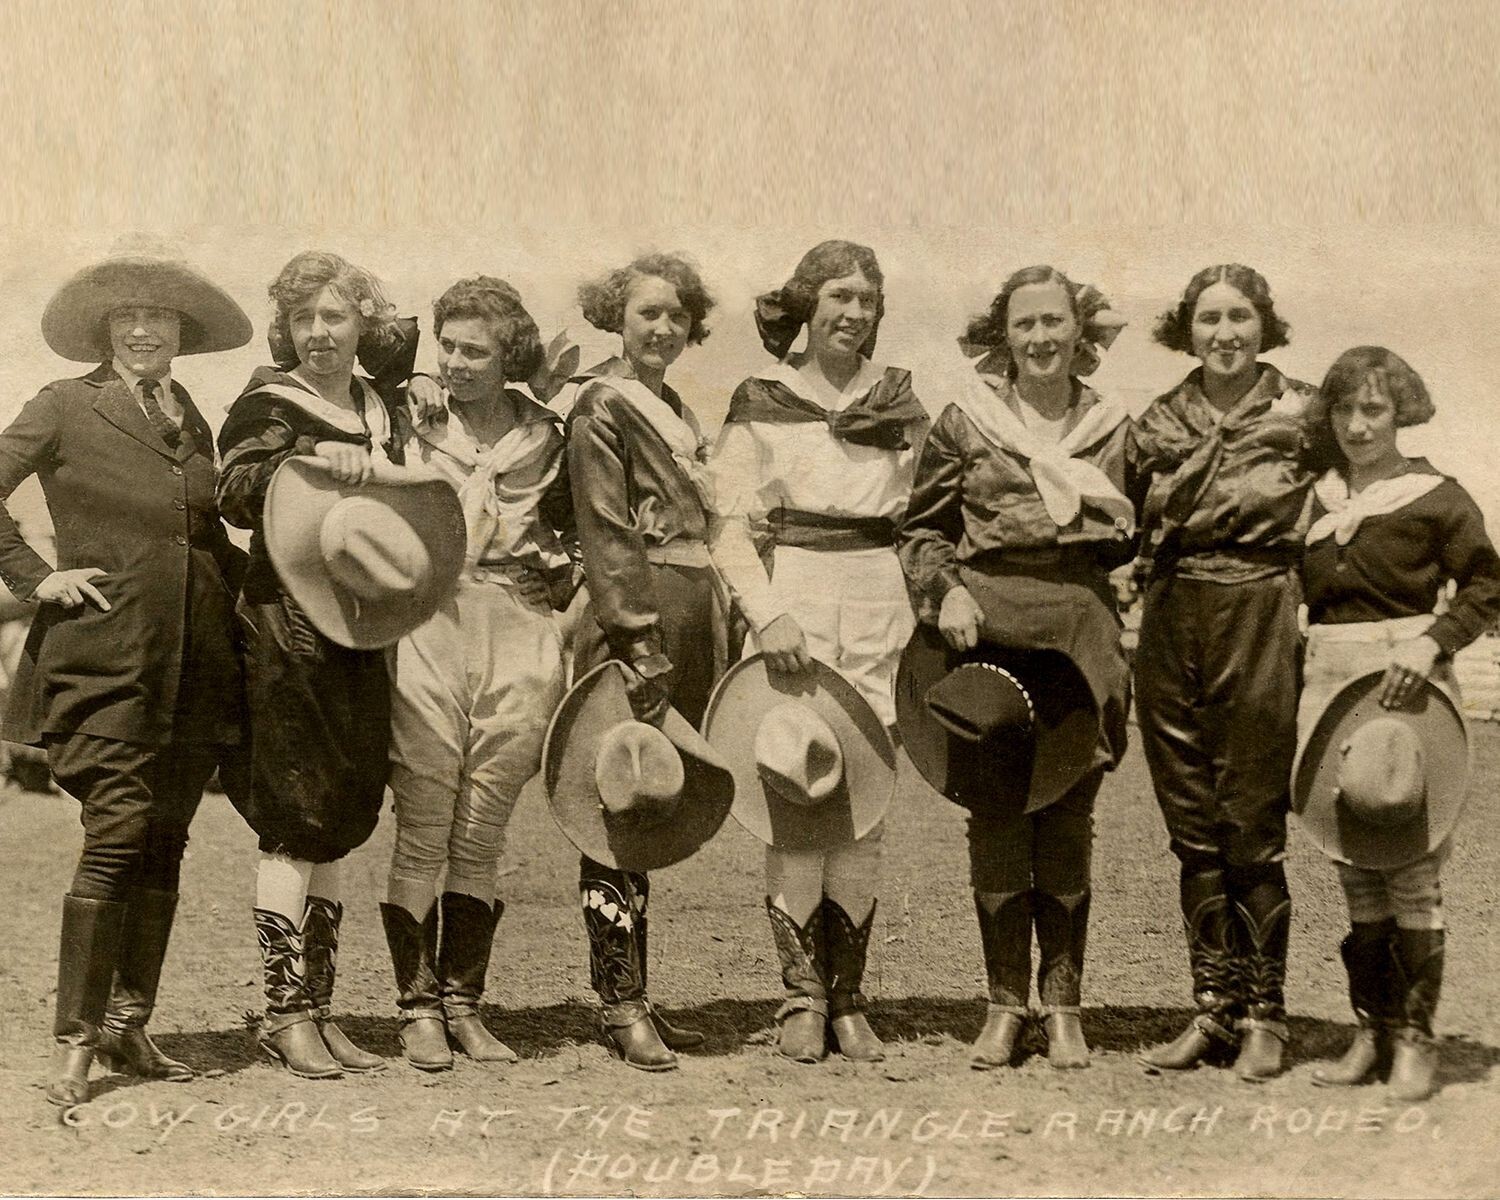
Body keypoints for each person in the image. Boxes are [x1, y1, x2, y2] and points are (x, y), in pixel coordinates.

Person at [0, 234, 252, 1105]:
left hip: (195, 668)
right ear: (105, 329)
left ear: (181, 330)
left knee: (166, 844)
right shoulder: (65, 404)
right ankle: (75, 1043)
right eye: (129, 316)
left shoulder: (192, 416)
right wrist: (37, 577)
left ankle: (127, 1026)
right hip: (104, 662)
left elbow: (208, 540)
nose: (145, 330)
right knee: (115, 838)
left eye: (160, 316)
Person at [897, 265, 1133, 1070]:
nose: (1039, 339)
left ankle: (1063, 1005)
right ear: (1005, 334)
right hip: (983, 632)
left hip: (1080, 631)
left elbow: (1149, 529)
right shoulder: (968, 421)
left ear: (1081, 333)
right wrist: (945, 589)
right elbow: (920, 528)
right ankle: (1004, 1004)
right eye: (1024, 324)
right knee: (996, 811)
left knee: (1067, 815)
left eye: (1053, 323)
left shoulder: (1116, 427)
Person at [708, 239, 926, 1063]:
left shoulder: (899, 401)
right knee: (796, 794)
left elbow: (921, 518)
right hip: (796, 600)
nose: (853, 313)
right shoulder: (764, 398)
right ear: (806, 305)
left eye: (867, 300)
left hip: (880, 604)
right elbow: (726, 527)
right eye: (838, 296)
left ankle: (848, 999)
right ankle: (799, 996)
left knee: (863, 810)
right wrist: (767, 614)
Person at [217, 250, 420, 1080]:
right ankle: (283, 1012)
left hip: (364, 626)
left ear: (361, 324)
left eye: (334, 317)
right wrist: (303, 464)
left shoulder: (380, 405)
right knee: (294, 811)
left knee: (342, 809)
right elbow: (231, 492)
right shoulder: (271, 401)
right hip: (288, 625)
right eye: (304, 320)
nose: (319, 333)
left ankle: (325, 1008)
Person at [380, 276, 576, 1071]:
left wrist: (564, 620)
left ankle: (465, 1003)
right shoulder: (409, 418)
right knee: (425, 813)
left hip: (521, 624)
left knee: (484, 823)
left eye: (475, 350)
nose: (456, 363)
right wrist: (410, 379)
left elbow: (592, 531)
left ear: (511, 356)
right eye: (447, 348)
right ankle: (417, 1005)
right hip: (432, 618)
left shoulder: (549, 436)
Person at [1295, 347, 1500, 1101]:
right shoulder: (1315, 501)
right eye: (1344, 410)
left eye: (1374, 409)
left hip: (1406, 684)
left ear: (1401, 410)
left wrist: (1433, 639)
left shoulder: (1436, 496)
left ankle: (1415, 1037)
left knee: (1408, 862)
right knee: (1354, 866)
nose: (1357, 425)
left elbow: (1487, 586)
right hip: (1327, 681)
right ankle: (1369, 1033)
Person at [1129, 264, 1317, 1080]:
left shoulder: (1308, 413)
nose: (1225, 333)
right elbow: (1118, 521)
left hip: (1263, 606)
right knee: (1192, 824)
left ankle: (1267, 1015)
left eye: (1241, 317)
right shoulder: (1156, 421)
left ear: (1265, 325)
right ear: (1188, 328)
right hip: (1173, 613)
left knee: (1251, 821)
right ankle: (1215, 1011)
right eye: (1209, 318)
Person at [558, 252, 721, 1071]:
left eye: (677, 315)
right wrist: (637, 637)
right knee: (615, 802)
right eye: (647, 313)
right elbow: (605, 527)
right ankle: (617, 1002)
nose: (663, 327)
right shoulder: (601, 407)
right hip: (635, 619)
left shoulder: (675, 407)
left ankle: (638, 995)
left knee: (653, 792)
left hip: (685, 613)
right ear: (616, 317)